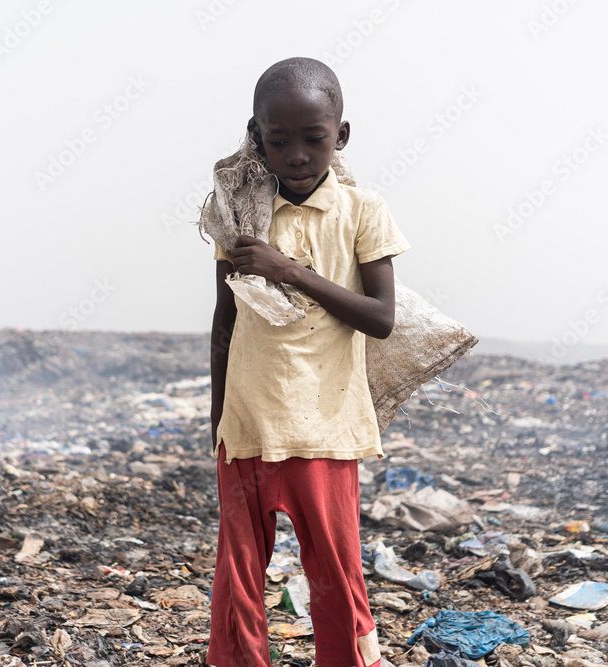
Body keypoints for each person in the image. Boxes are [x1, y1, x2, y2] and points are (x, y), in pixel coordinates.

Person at [207, 57, 410, 667]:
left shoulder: (362, 210)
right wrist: (218, 417)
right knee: (238, 576)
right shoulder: (240, 216)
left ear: (340, 136)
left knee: (335, 575)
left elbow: (380, 316)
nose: (296, 154)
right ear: (257, 137)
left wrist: (288, 271)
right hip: (247, 424)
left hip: (326, 428)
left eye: (313, 138)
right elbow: (225, 322)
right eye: (279, 139)